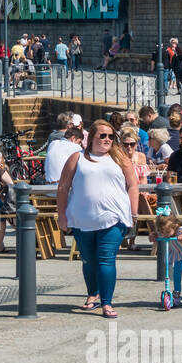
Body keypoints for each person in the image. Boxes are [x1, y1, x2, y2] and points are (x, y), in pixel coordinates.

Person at [56, 120, 138, 318]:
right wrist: (61, 215)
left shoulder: (120, 158)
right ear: (91, 137)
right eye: (103, 135)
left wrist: (133, 213)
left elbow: (133, 185)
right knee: (88, 260)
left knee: (106, 259)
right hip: (82, 219)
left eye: (111, 136)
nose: (107, 139)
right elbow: (63, 187)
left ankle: (106, 303)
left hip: (114, 218)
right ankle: (92, 293)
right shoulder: (77, 158)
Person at [44, 117, 84, 183]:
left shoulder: (53, 143)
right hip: (63, 187)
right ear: (73, 138)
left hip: (48, 185)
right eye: (79, 142)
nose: (79, 144)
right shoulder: (76, 147)